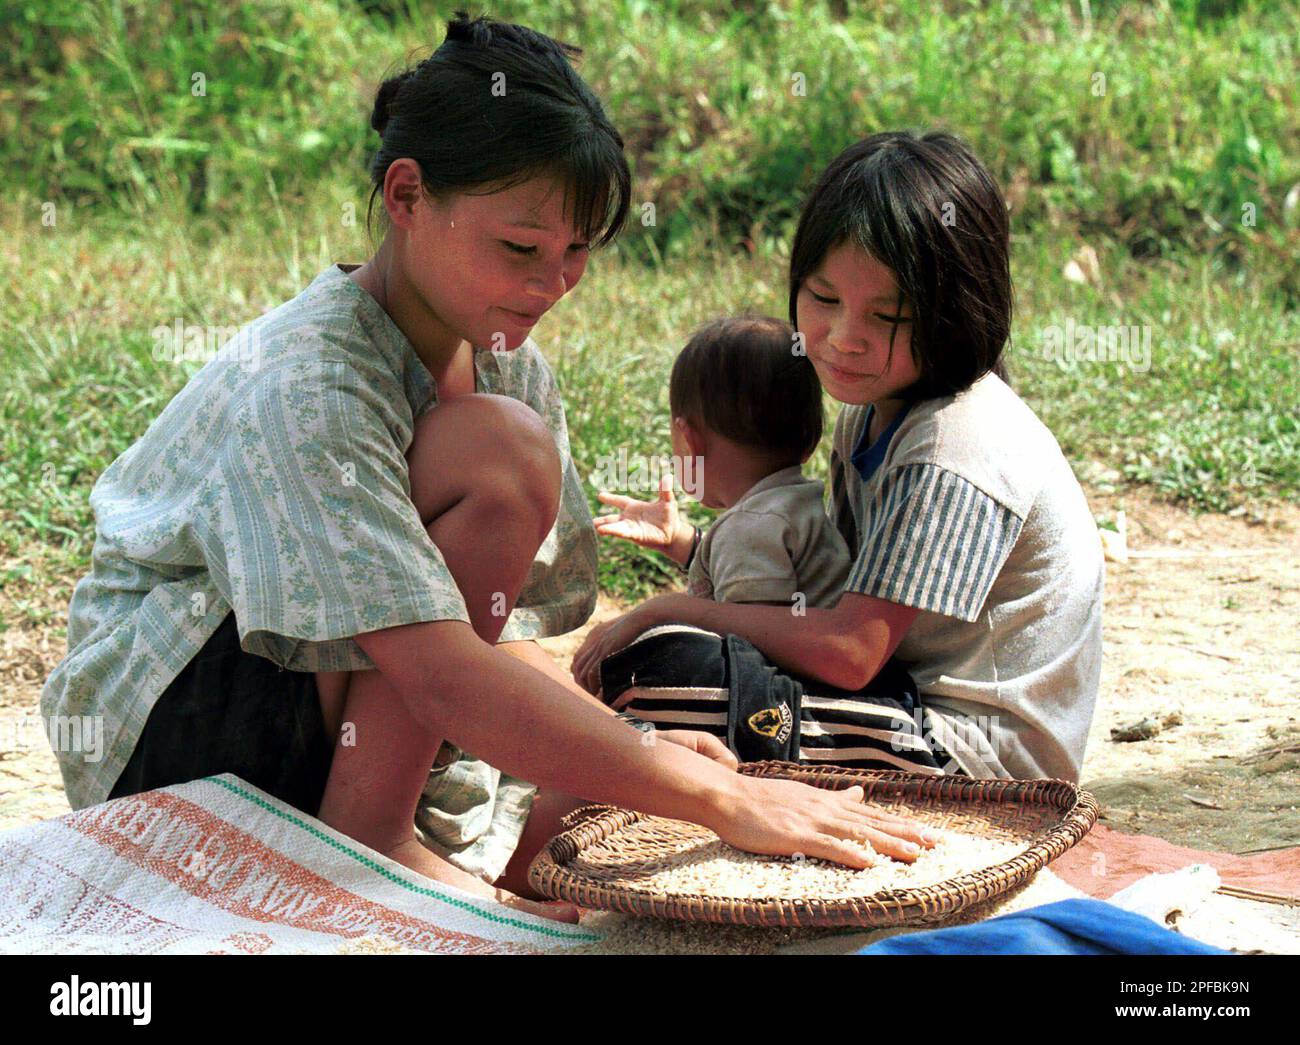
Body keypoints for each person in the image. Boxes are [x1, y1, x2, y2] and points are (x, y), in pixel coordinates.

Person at [41, 16, 937, 923]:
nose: (550, 283)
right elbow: (436, 668)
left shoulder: (505, 357)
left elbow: (481, 642)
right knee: (501, 453)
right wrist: (723, 798)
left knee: (517, 493)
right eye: (521, 247)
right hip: (177, 741)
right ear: (406, 195)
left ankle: (375, 824)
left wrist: (642, 743)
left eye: (577, 252)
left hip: (321, 710)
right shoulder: (310, 382)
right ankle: (371, 837)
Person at [575, 130, 1105, 787]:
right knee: (682, 669)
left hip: (976, 754)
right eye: (824, 300)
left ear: (957, 313)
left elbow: (851, 651)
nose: (844, 338)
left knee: (657, 675)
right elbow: (827, 588)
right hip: (901, 700)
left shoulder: (954, 448)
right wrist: (695, 551)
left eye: (887, 314)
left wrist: (671, 608)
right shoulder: (876, 407)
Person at [591, 315, 954, 772]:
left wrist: (667, 615)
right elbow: (762, 593)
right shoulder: (789, 502)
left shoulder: (752, 525)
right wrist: (686, 544)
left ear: (689, 438)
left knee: (655, 658)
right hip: (872, 687)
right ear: (810, 439)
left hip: (823, 699)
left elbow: (753, 639)